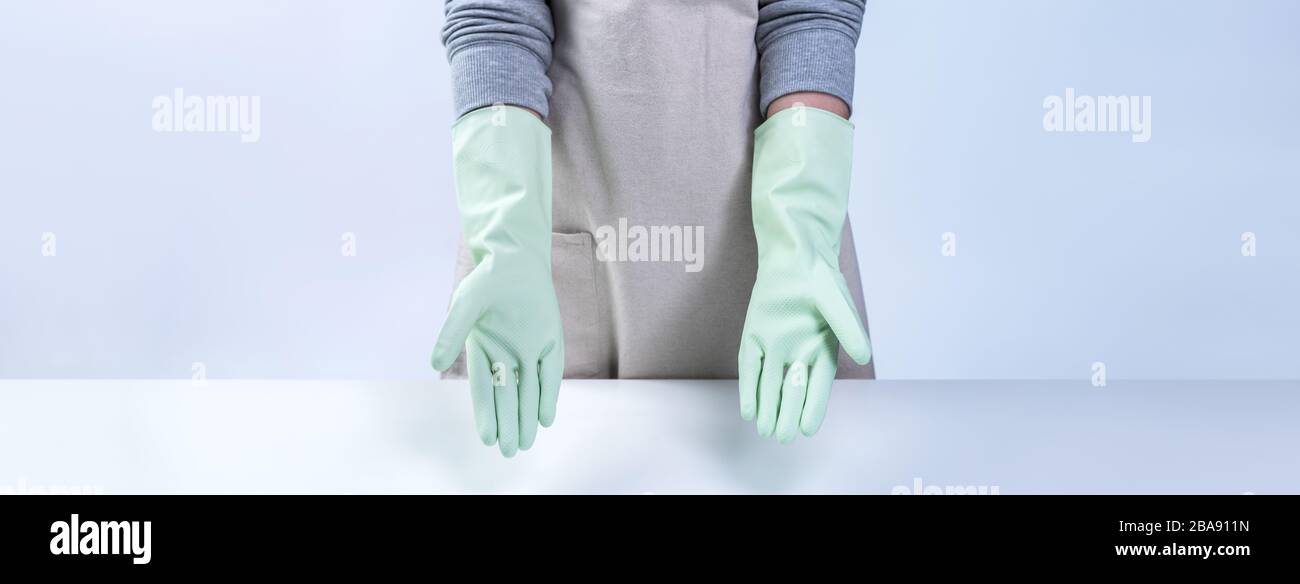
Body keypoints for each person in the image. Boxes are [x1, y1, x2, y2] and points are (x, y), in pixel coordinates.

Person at [432, 0, 874, 457]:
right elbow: (497, 18)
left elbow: (809, 14)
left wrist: (799, 233)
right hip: (553, 239)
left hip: (774, 257)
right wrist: (508, 236)